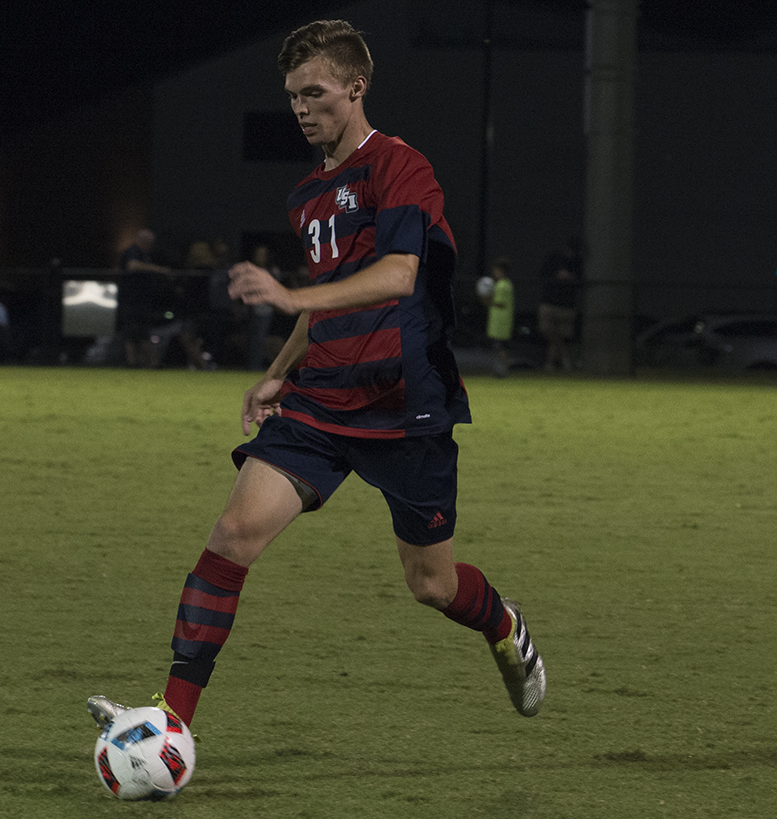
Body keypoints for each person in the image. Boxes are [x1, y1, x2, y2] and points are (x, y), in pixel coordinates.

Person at [87, 20, 545, 739]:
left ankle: (504, 623)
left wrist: (291, 297)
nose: (302, 108)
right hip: (320, 400)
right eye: (293, 96)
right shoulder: (307, 197)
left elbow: (397, 275)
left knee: (431, 583)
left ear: (356, 88)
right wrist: (278, 372)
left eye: (315, 93)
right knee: (232, 533)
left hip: (405, 402)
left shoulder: (400, 166)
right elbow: (333, 296)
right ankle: (171, 719)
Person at [114, 228, 173, 367]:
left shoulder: (145, 254)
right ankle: (134, 363)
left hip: (142, 301)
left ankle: (146, 363)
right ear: (142, 240)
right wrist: (160, 269)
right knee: (132, 333)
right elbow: (132, 265)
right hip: (131, 300)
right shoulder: (133, 251)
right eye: (149, 242)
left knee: (143, 333)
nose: (150, 245)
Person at [537, 239, 582, 372]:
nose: (571, 254)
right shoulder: (553, 258)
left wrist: (571, 277)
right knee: (547, 330)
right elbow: (541, 274)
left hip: (566, 305)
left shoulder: (577, 262)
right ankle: (565, 358)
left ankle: (550, 364)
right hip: (549, 302)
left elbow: (581, 280)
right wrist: (556, 275)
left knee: (564, 335)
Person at [482, 256, 514, 377]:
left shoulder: (501, 285)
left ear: (500, 271)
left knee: (499, 347)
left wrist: (486, 300)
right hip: (504, 321)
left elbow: (500, 303)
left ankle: (502, 370)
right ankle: (500, 370)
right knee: (501, 346)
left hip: (500, 321)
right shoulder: (508, 283)